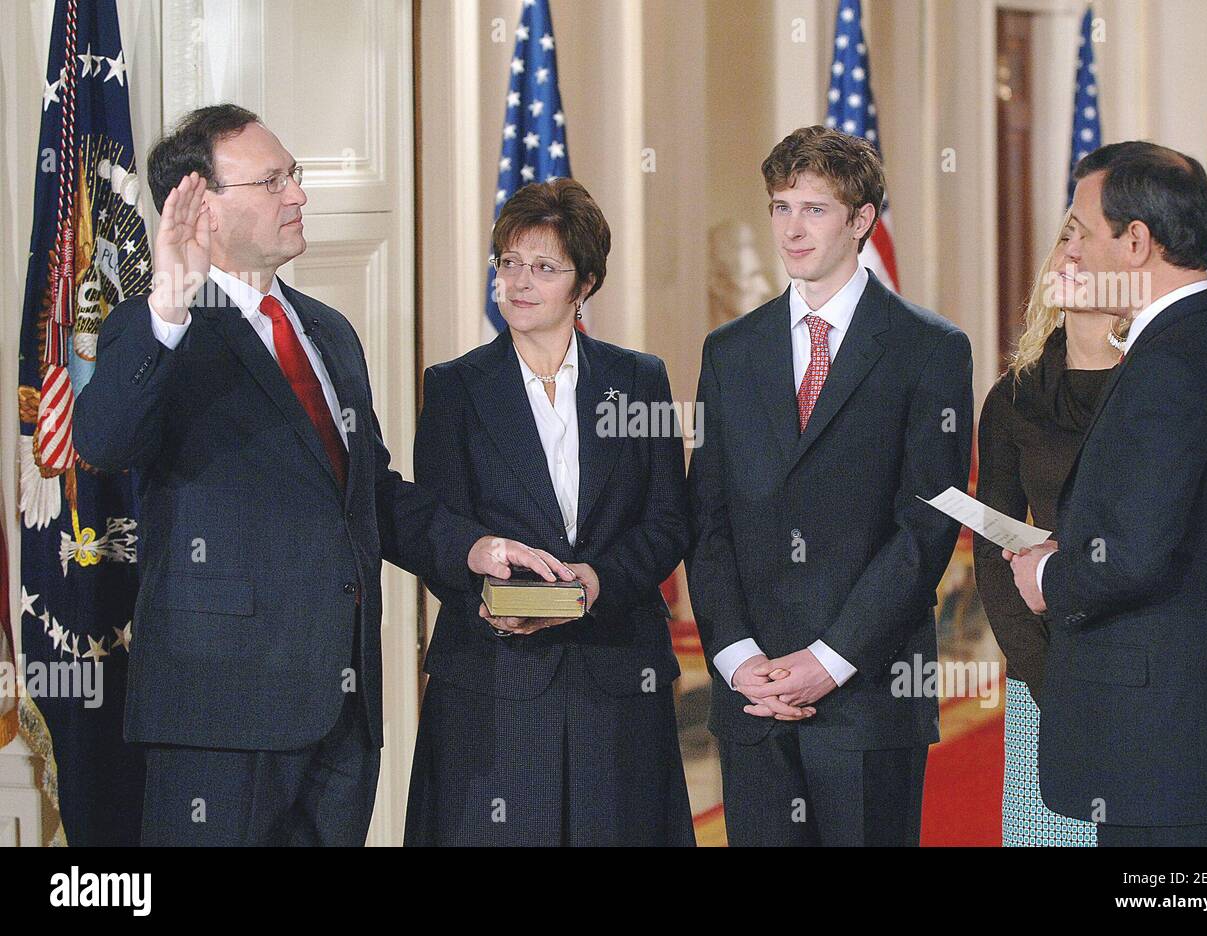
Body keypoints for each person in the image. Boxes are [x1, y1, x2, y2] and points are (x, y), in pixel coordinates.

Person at [73, 104, 567, 846]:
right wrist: (170, 301)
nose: (298, 194)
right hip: (222, 715)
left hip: (343, 709)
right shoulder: (161, 329)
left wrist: (473, 549)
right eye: (272, 181)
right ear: (202, 206)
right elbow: (104, 441)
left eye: (294, 175)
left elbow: (366, 495)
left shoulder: (328, 331)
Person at [686, 126, 973, 846]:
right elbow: (707, 521)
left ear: (861, 220)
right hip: (753, 698)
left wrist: (830, 659)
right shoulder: (728, 352)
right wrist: (737, 658)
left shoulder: (930, 349)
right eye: (781, 207)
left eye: (814, 209)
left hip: (868, 695)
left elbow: (927, 527)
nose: (792, 229)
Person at [1007, 141, 1207, 846]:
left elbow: (1134, 557)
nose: (1068, 253)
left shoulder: (1168, 369)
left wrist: (1045, 575)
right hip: (1189, 751)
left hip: (1166, 758)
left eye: (1079, 230)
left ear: (1135, 242)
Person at [404, 179, 695, 846]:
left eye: (544, 267)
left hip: (617, 677)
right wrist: (490, 598)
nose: (519, 282)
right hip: (492, 682)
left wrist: (597, 581)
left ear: (584, 283)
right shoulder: (453, 388)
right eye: (508, 262)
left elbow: (668, 522)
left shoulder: (639, 380)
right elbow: (440, 533)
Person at [973, 217, 1124, 846]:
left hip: (1141, 663)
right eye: (1066, 237)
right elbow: (991, 548)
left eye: (1091, 240)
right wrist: (1047, 678)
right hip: (1045, 665)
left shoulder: (1158, 387)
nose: (1072, 253)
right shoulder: (1013, 397)